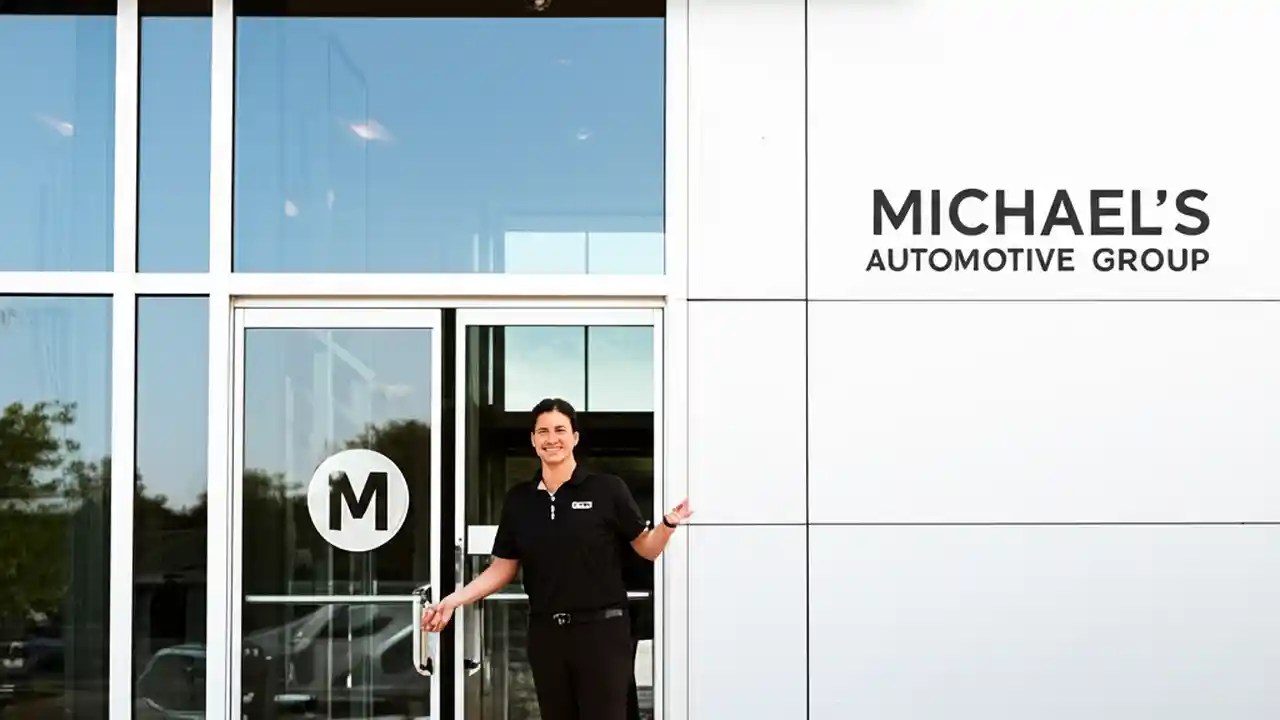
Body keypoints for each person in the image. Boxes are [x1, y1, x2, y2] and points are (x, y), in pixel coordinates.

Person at [422, 397, 692, 720]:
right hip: (546, 635)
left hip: (602, 634)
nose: (552, 439)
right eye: (543, 431)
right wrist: (453, 600)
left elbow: (646, 547)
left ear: (575, 437)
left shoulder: (607, 490)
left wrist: (667, 525)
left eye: (560, 430)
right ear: (533, 440)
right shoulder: (519, 501)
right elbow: (501, 568)